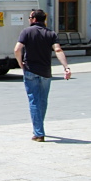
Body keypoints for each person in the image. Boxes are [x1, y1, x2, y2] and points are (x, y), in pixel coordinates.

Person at [14, 9, 71, 142]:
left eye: (29, 17)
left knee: (34, 100)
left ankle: (39, 133)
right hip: (45, 71)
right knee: (43, 101)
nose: (28, 19)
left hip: (30, 70)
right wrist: (66, 67)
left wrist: (20, 63)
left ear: (33, 19)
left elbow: (17, 49)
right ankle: (39, 126)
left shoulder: (26, 32)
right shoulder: (51, 33)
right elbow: (58, 49)